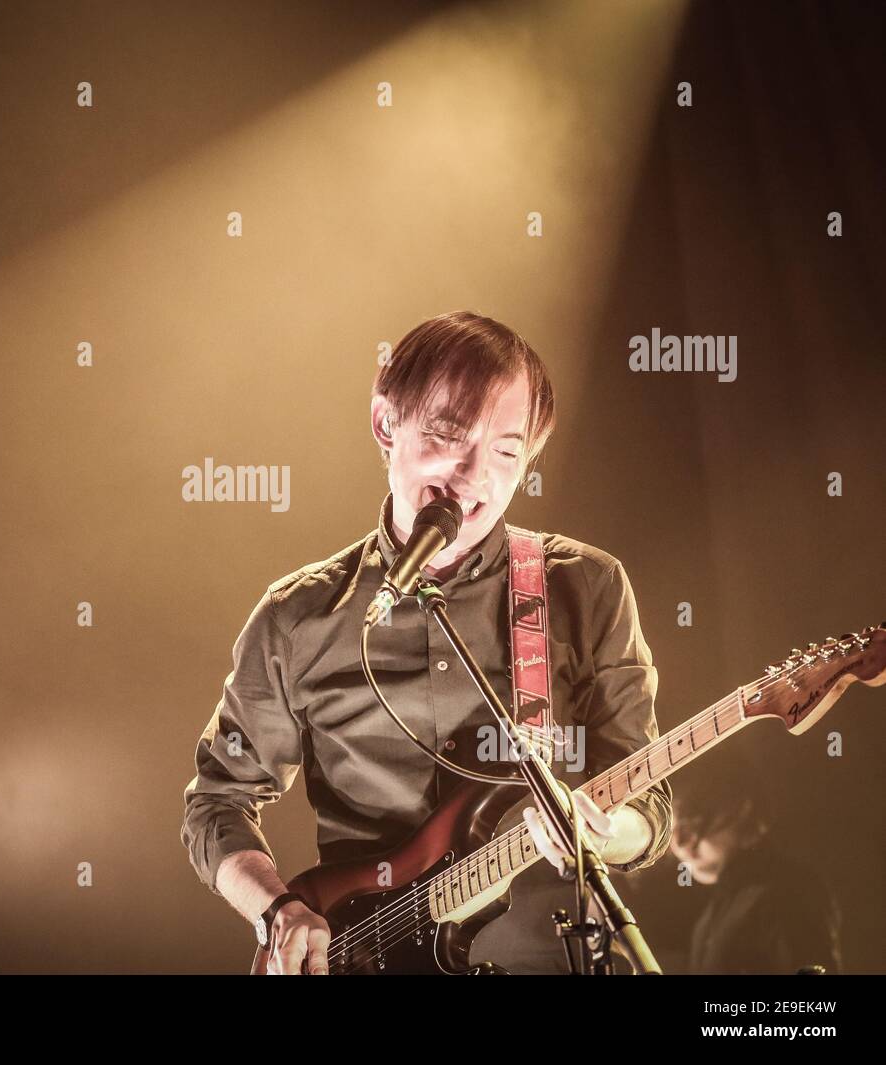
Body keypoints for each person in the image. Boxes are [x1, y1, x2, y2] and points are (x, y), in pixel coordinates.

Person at [181, 311, 673, 974]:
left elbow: (649, 804)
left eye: (505, 452)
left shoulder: (585, 586)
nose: (471, 476)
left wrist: (606, 833)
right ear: (386, 423)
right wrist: (278, 909)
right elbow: (218, 801)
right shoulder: (297, 615)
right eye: (447, 435)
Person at [670, 780, 842, 974]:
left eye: (692, 819)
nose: (679, 844)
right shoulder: (710, 918)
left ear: (740, 807)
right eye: (672, 828)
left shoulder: (787, 891)